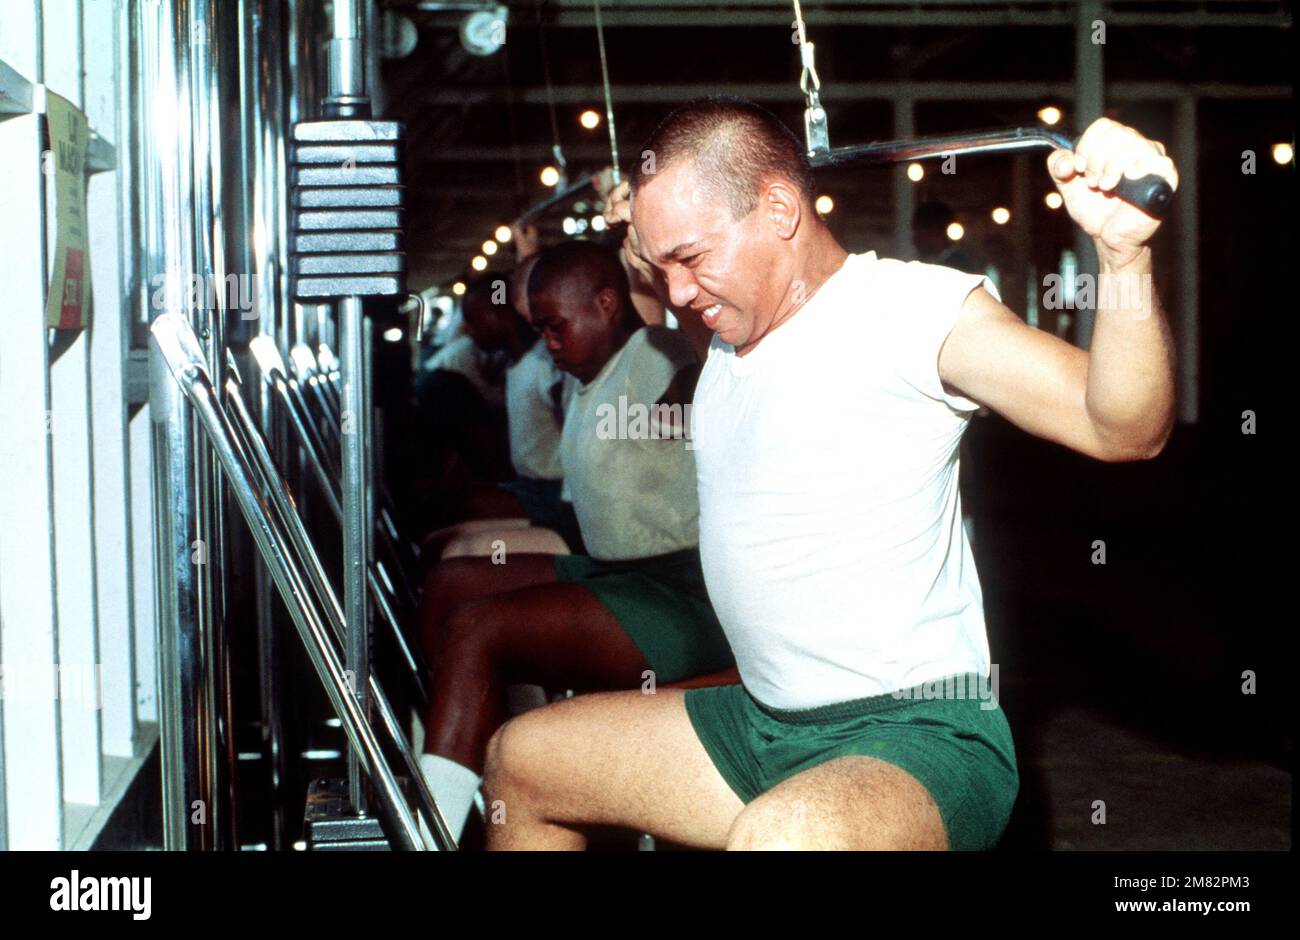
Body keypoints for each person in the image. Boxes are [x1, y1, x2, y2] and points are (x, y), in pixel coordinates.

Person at [480, 97, 1177, 850]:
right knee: (523, 761)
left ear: (779, 208)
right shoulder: (723, 327)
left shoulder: (912, 312)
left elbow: (1124, 429)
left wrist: (1124, 257)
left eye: (692, 257)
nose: (678, 289)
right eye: (662, 264)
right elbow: (656, 297)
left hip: (915, 736)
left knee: (785, 836)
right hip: (762, 718)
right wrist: (643, 229)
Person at [415, 239, 735, 841]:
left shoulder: (653, 351)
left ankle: (435, 825)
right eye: (539, 329)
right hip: (615, 572)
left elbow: (699, 366)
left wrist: (683, 396)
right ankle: (466, 759)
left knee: (479, 627)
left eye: (557, 326)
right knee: (450, 584)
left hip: (681, 590)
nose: (549, 343)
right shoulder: (588, 375)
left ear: (607, 304)